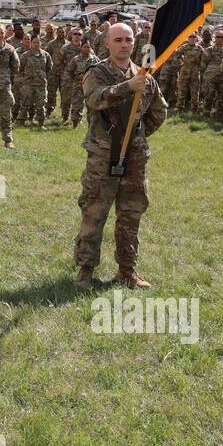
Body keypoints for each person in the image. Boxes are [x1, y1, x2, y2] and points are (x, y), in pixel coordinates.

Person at [73, 22, 167, 289]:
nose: (124, 44)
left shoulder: (145, 76)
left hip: (135, 157)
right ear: (107, 43)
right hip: (103, 155)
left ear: (135, 43)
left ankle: (127, 270)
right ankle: (86, 270)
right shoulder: (97, 72)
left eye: (128, 39)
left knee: (131, 212)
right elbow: (95, 99)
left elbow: (159, 112)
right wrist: (128, 87)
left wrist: (136, 134)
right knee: (95, 210)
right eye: (118, 40)